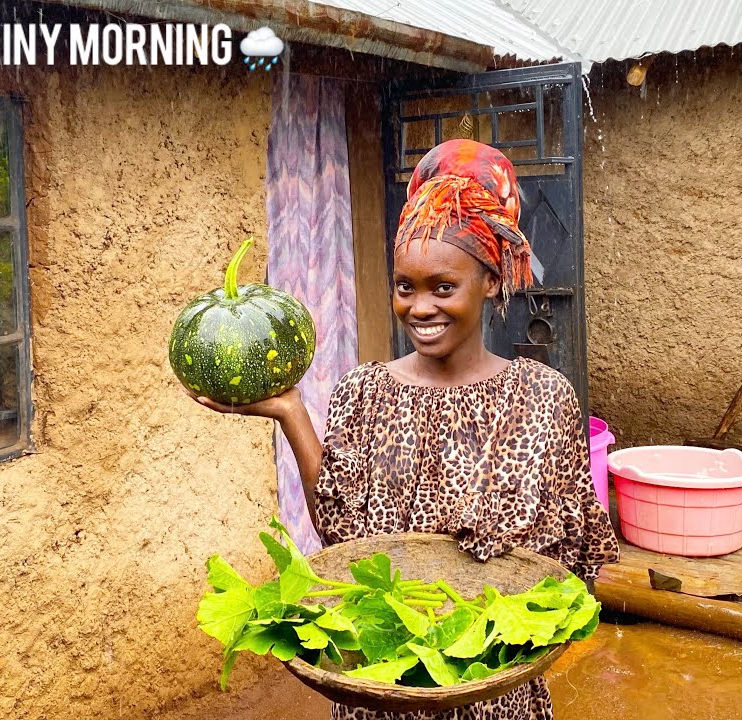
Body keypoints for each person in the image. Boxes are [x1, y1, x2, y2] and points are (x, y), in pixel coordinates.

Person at [190, 138, 619, 720]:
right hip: (381, 685)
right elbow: (343, 540)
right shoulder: (363, 394)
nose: (420, 307)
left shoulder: (542, 399)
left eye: (444, 287)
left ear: (490, 282)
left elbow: (572, 569)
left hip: (492, 691)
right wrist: (292, 413)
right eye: (405, 287)